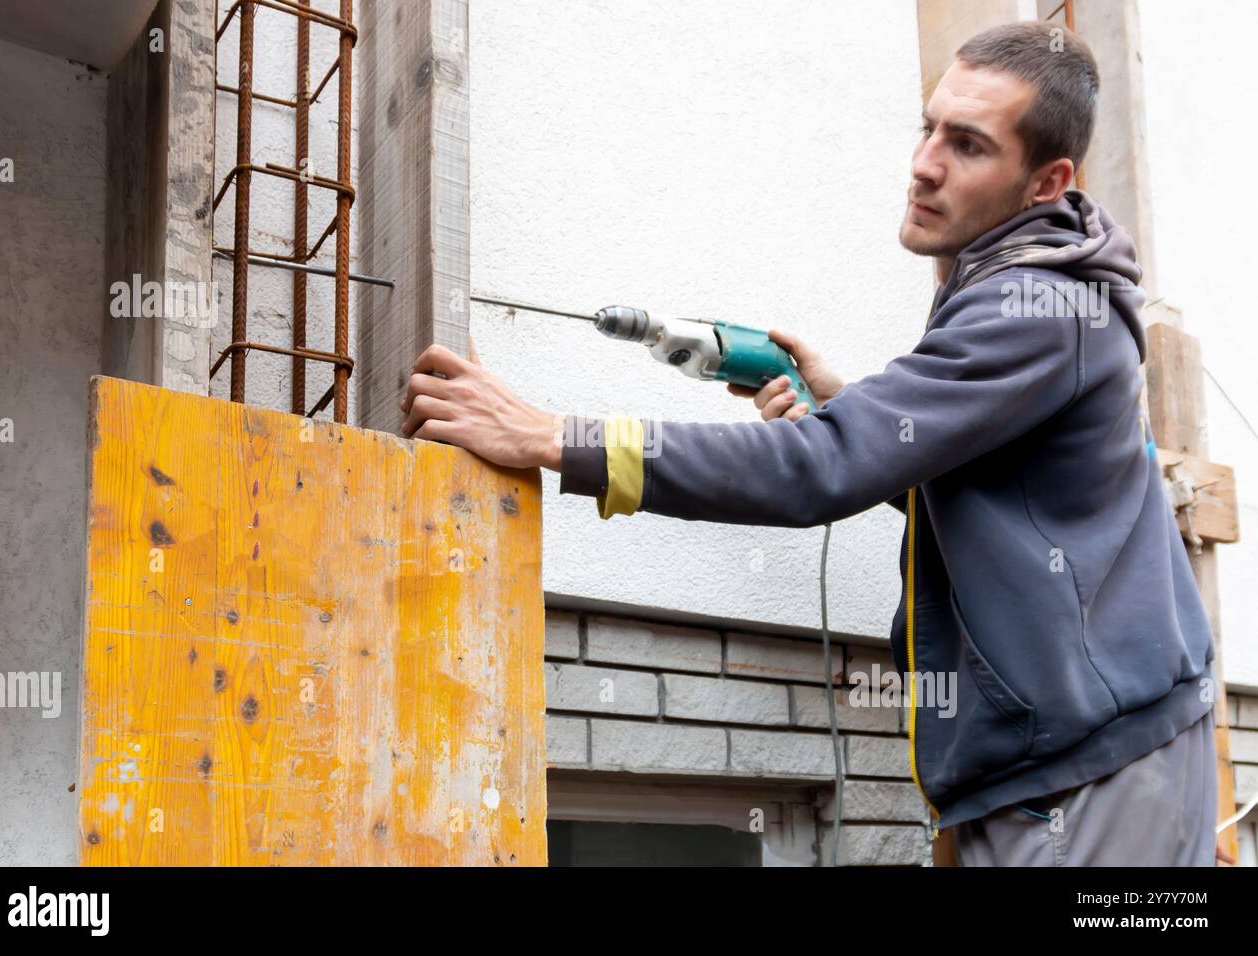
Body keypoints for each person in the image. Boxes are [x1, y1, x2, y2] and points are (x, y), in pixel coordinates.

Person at [397, 21, 1218, 865]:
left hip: (1100, 767)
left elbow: (818, 472)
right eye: (928, 128)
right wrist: (852, 410)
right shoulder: (1017, 284)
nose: (925, 163)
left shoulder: (1035, 309)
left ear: (1047, 181)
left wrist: (551, 438)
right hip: (1043, 758)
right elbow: (1001, 485)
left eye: (968, 145)